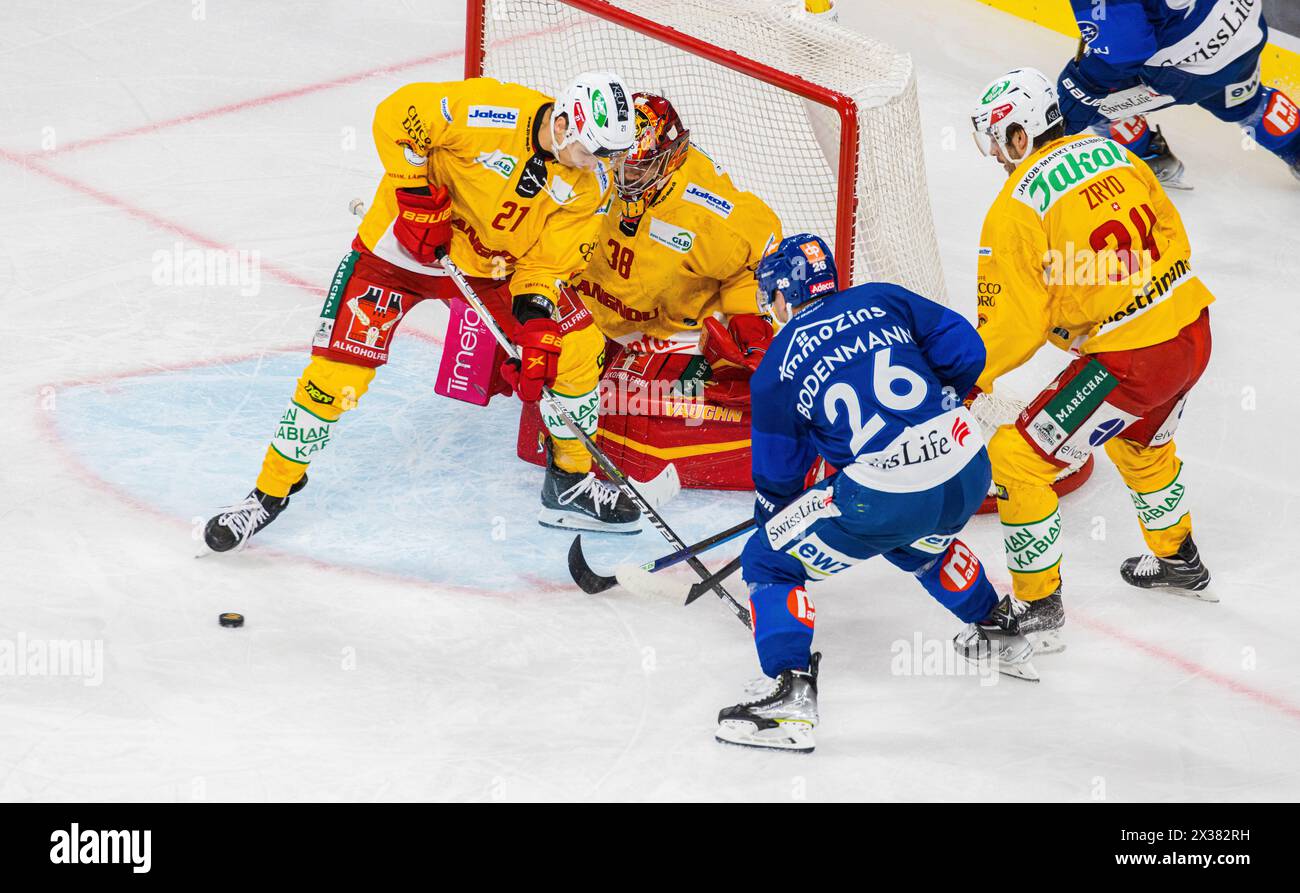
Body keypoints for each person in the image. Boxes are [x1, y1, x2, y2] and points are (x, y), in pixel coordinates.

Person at [204, 72, 642, 551]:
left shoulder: (589, 186)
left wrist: (537, 330)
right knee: (335, 378)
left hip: (490, 269)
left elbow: (544, 265)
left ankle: (570, 481)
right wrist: (413, 196)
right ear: (562, 124)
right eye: (591, 152)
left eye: (609, 156)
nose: (600, 166)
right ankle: (269, 493)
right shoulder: (488, 110)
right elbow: (396, 116)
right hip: (394, 258)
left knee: (575, 346)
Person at [715, 233, 1008, 753]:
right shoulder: (882, 297)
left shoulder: (777, 365)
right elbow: (968, 349)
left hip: (887, 491)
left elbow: (779, 481)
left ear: (784, 292)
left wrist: (776, 521)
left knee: (767, 559)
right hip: (968, 466)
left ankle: (790, 696)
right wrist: (937, 408)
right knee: (913, 540)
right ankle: (997, 626)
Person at [963, 67, 1217, 664]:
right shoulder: (1115, 152)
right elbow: (1169, 235)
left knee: (1017, 462)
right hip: (1193, 332)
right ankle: (1180, 559)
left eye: (998, 142)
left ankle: (1037, 606)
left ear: (1019, 136)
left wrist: (966, 378)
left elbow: (1013, 326)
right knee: (1141, 442)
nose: (998, 157)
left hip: (1132, 360)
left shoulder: (1015, 207)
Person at [563, 92, 782, 488]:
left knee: (637, 420)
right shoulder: (588, 165)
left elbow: (757, 262)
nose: (622, 178)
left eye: (638, 169)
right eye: (617, 162)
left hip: (666, 333)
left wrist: (750, 321)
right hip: (588, 311)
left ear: (670, 159)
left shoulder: (706, 210)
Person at [1056, 0, 1300, 185]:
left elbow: (1123, 52)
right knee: (1247, 102)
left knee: (1093, 98)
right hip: (1242, 24)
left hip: (1188, 64)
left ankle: (1149, 157)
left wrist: (1072, 98)